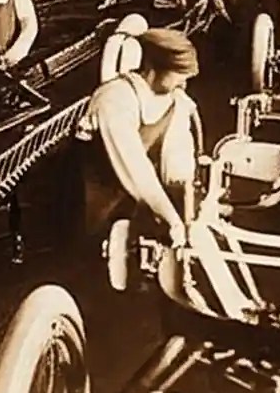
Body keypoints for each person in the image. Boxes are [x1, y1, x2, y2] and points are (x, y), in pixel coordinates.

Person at [73, 29, 201, 247]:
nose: (183, 84)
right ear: (153, 69)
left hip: (134, 202)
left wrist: (188, 199)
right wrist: (172, 219)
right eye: (178, 75)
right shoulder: (115, 99)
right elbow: (135, 167)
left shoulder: (172, 99)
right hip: (91, 203)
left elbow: (176, 159)